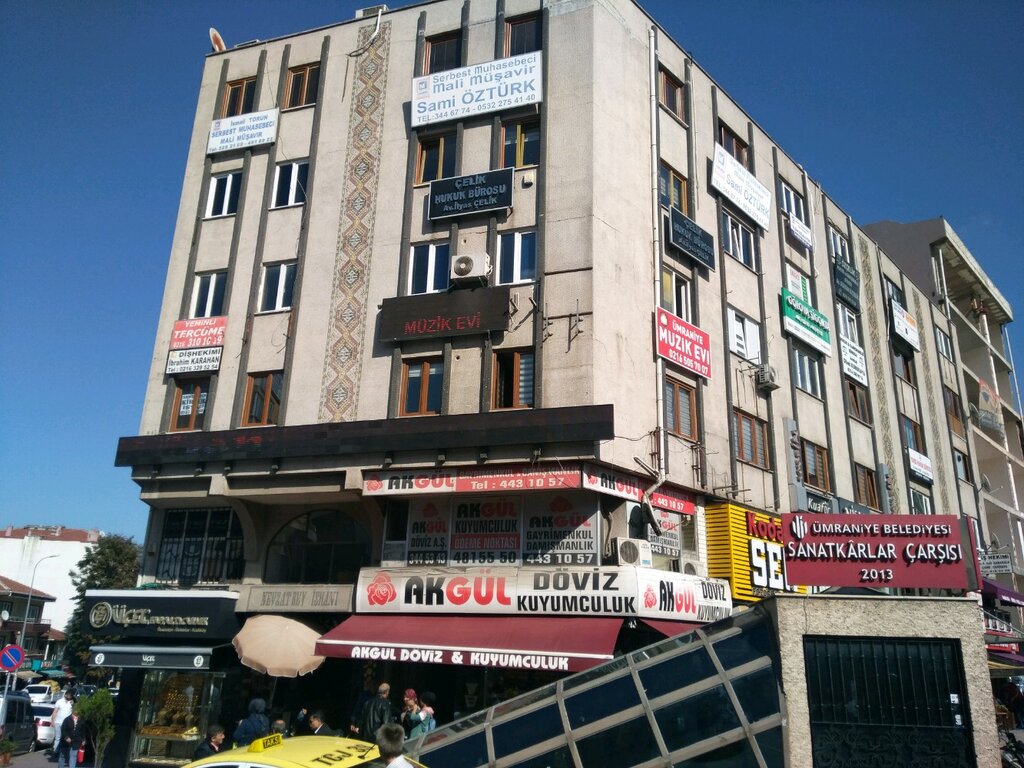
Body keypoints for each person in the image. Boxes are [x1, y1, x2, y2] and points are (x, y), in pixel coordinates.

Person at [51, 690, 75, 759]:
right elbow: (55, 711)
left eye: (70, 696)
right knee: (57, 738)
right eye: (68, 695)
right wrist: (52, 721)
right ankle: (55, 752)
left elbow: (74, 711)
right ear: (65, 694)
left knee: (65, 737)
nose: (69, 697)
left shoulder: (72, 702)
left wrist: (73, 704)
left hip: (66, 724)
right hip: (58, 722)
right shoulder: (59, 701)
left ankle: (64, 752)